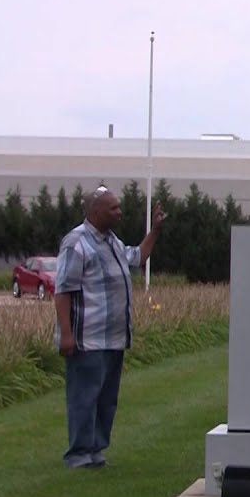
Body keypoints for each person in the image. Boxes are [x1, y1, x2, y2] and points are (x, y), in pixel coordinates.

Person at [54, 186, 165, 469]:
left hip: (114, 338)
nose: (120, 212)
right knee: (84, 397)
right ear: (95, 211)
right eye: (113, 208)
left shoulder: (112, 242)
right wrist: (66, 334)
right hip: (87, 339)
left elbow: (138, 257)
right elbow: (63, 290)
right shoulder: (76, 243)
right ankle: (79, 453)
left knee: (106, 400)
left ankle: (96, 450)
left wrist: (154, 231)